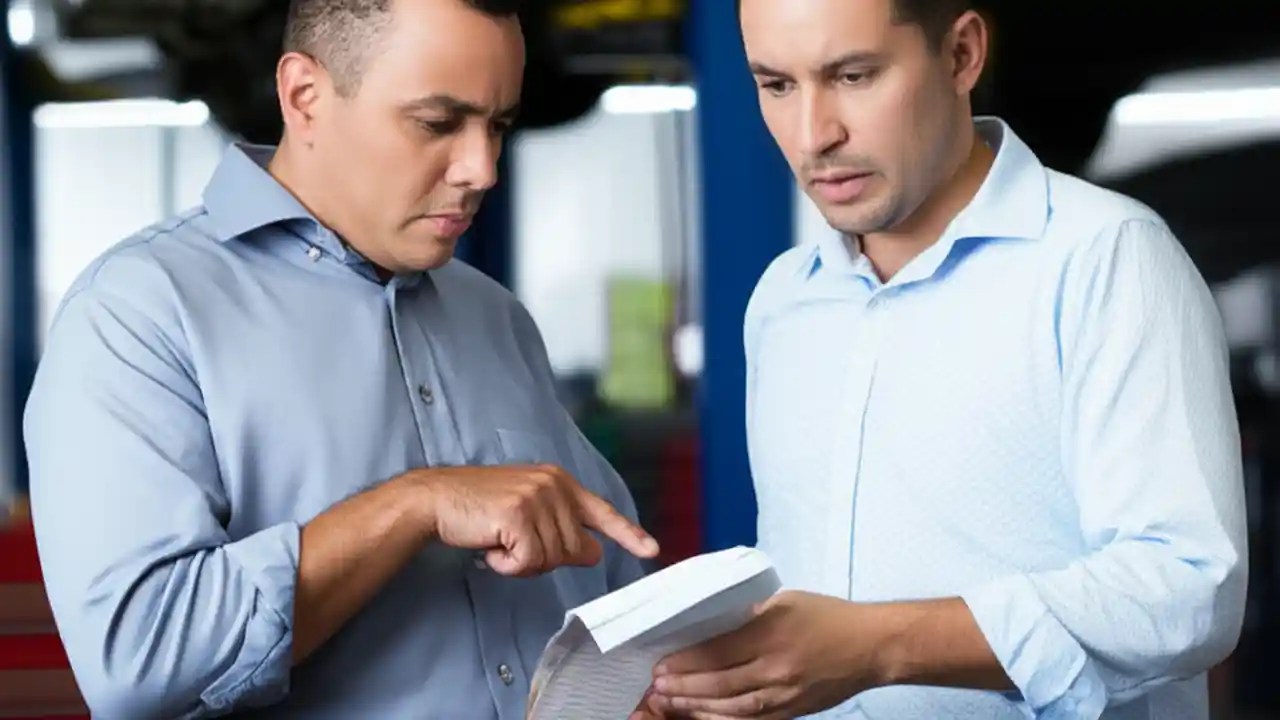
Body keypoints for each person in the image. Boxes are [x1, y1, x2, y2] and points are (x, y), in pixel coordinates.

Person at [22, 0, 660, 717]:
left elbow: (606, 595)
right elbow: (138, 664)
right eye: (437, 124)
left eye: (499, 126)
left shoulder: (494, 316)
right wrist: (415, 504)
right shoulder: (139, 313)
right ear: (305, 97)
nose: (483, 168)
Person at [644, 0, 1248, 718]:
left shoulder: (1106, 260)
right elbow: (811, 601)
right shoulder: (783, 302)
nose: (814, 135)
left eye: (854, 75)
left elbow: (1187, 591)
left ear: (961, 54)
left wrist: (881, 646)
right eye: (777, 85)